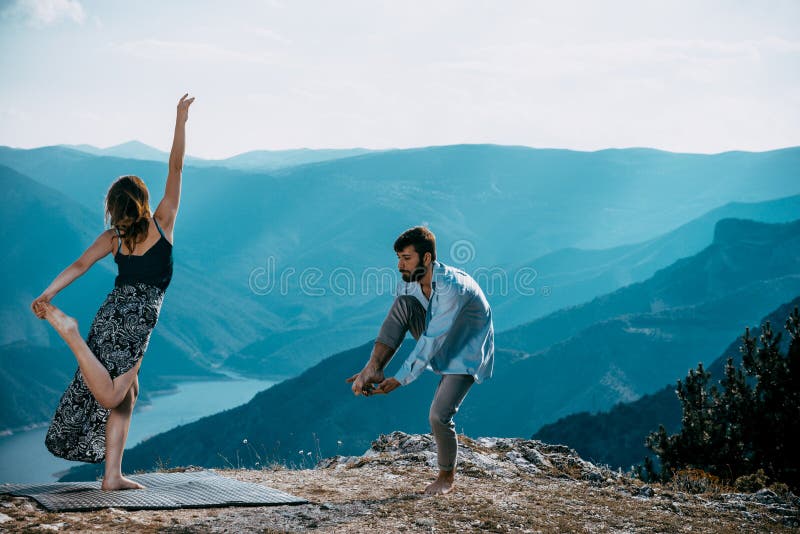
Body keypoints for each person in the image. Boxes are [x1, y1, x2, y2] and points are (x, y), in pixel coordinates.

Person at [30, 94, 195, 490]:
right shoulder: (162, 224)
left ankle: (112, 476)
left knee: (128, 393)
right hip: (137, 322)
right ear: (143, 201)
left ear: (115, 207)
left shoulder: (114, 238)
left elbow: (80, 265)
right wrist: (180, 120)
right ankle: (68, 332)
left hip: (111, 313)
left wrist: (48, 291)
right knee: (110, 394)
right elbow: (176, 166)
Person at [347, 226, 494, 495]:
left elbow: (431, 340)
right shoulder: (409, 280)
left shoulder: (452, 287)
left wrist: (401, 378)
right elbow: (398, 324)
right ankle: (373, 370)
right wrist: (375, 365)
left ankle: (446, 477)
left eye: (406, 258)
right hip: (437, 338)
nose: (400, 265)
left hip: (465, 351)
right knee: (403, 303)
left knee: (439, 415)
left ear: (426, 258)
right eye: (398, 258)